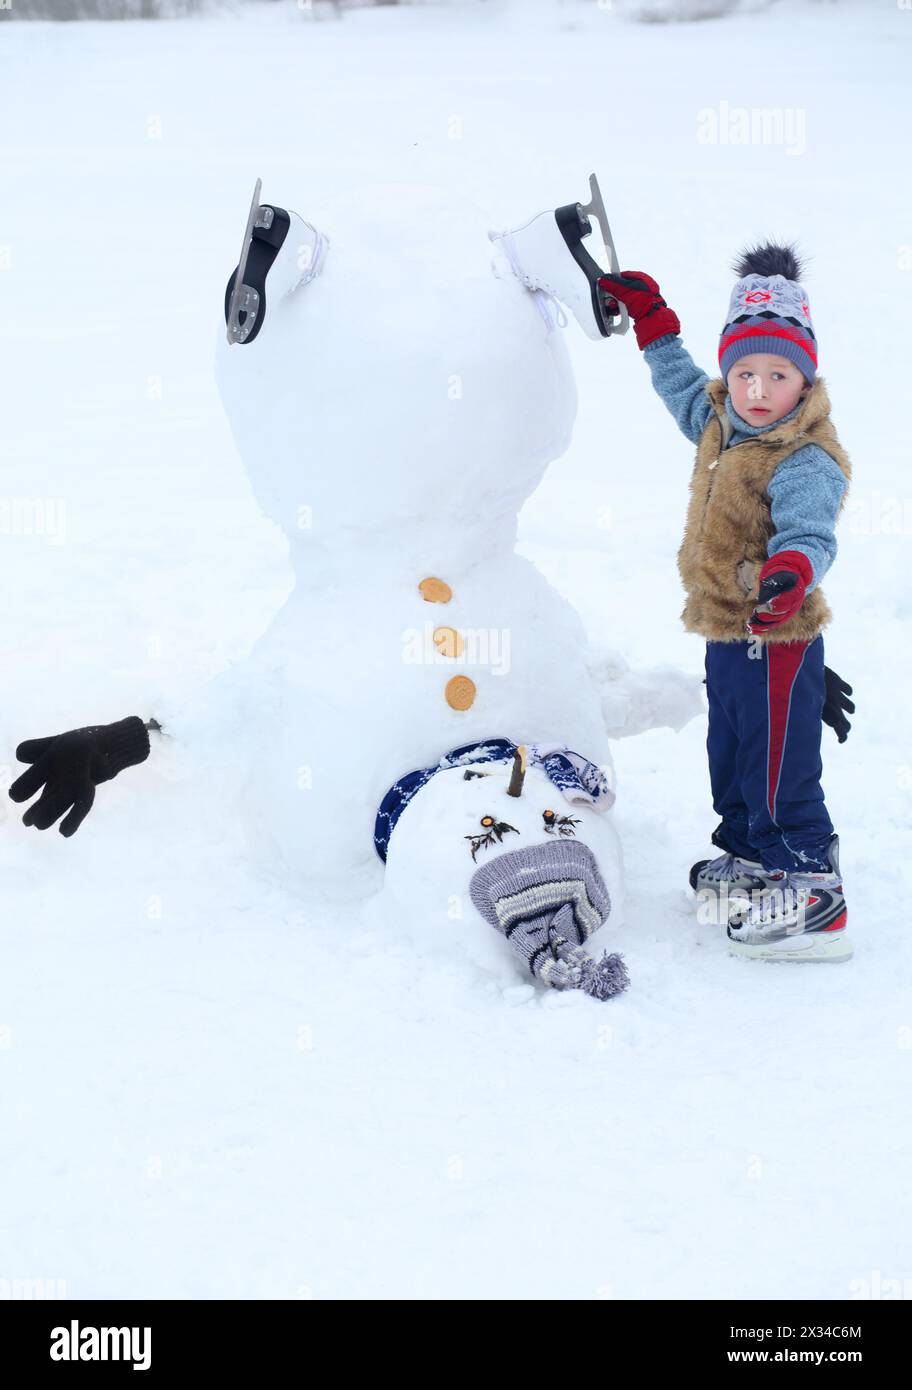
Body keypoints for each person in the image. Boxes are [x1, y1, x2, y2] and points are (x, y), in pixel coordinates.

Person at [599, 244, 852, 962]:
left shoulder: (805, 455)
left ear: (805, 380)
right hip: (724, 630)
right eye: (744, 372)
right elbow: (682, 386)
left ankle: (808, 882)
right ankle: (748, 855)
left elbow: (809, 533)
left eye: (778, 374)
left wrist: (789, 577)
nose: (759, 389)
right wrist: (652, 324)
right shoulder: (723, 425)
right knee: (734, 750)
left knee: (779, 762)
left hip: (777, 631)